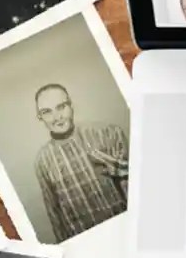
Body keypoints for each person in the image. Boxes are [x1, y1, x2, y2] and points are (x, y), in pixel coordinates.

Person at [32, 83, 130, 242]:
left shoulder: (108, 133)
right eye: (47, 112)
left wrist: (117, 169)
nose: (57, 117)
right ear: (40, 117)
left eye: (61, 107)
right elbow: (55, 215)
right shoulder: (42, 161)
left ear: (71, 106)